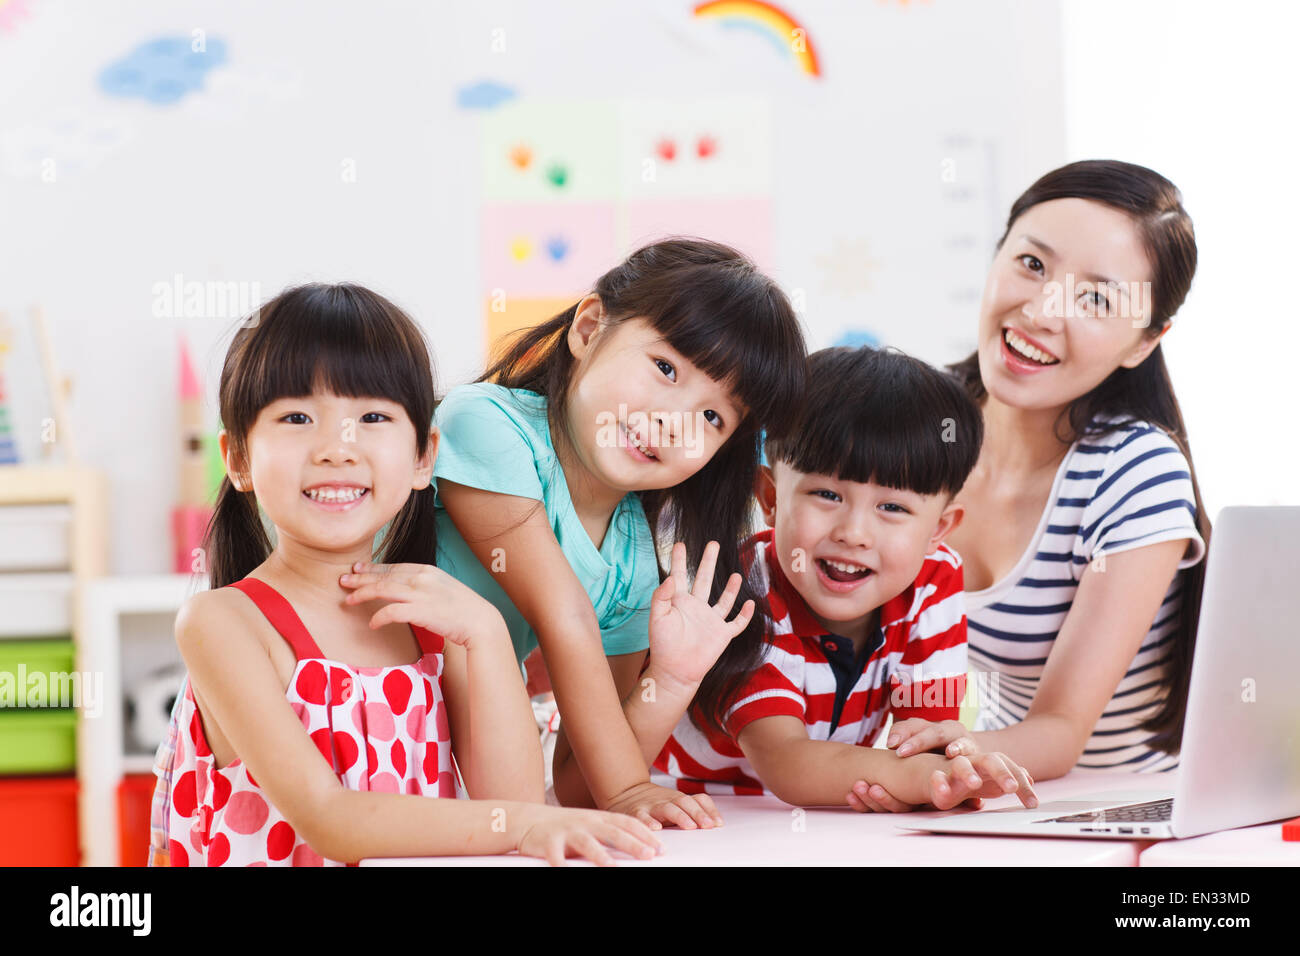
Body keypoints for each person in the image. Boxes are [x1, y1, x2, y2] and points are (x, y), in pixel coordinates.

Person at [150, 283, 660, 866]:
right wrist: (526, 823)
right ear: (238, 458)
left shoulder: (438, 622)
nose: (336, 449)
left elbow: (511, 803)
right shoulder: (223, 622)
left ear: (425, 456)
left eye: (372, 416)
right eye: (296, 416)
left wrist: (486, 631)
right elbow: (330, 820)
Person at [850, 160, 1209, 813]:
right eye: (1032, 265)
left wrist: (943, 763)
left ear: (1145, 341)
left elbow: (1061, 732)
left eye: (1097, 299)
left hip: (1140, 805)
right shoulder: (922, 432)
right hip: (1008, 795)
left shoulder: (1134, 469)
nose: (1042, 312)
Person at [433, 238, 807, 828]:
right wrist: (630, 788)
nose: (674, 422)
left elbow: (581, 787)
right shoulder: (485, 424)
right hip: (328, 712)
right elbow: (563, 614)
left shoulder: (632, 556)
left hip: (429, 778)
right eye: (665, 368)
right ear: (587, 328)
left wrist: (672, 676)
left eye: (713, 417)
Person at [650, 346, 1038, 809]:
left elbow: (921, 741)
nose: (853, 533)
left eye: (892, 507)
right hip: (689, 808)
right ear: (770, 499)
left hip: (812, 823)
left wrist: (945, 771)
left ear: (938, 530)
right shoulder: (742, 592)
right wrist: (916, 780)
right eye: (827, 494)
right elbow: (788, 762)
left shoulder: (933, 581)